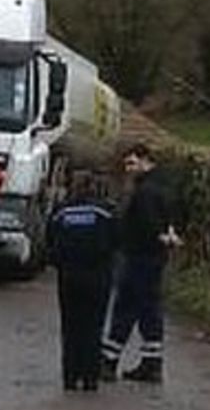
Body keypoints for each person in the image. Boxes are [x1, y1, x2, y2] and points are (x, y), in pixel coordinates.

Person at [101, 143, 180, 384]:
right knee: (149, 309)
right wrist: (171, 235)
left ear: (146, 160)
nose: (128, 169)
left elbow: (146, 221)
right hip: (155, 257)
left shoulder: (144, 190)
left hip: (139, 256)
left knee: (126, 306)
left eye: (132, 163)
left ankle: (108, 361)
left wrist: (159, 235)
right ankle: (151, 363)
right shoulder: (164, 187)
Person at [47, 171, 118, 392]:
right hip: (98, 276)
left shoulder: (61, 212)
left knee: (70, 327)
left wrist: (60, 262)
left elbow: (50, 240)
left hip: (69, 276)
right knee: (93, 326)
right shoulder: (105, 212)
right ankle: (90, 378)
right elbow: (117, 240)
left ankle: (70, 377)